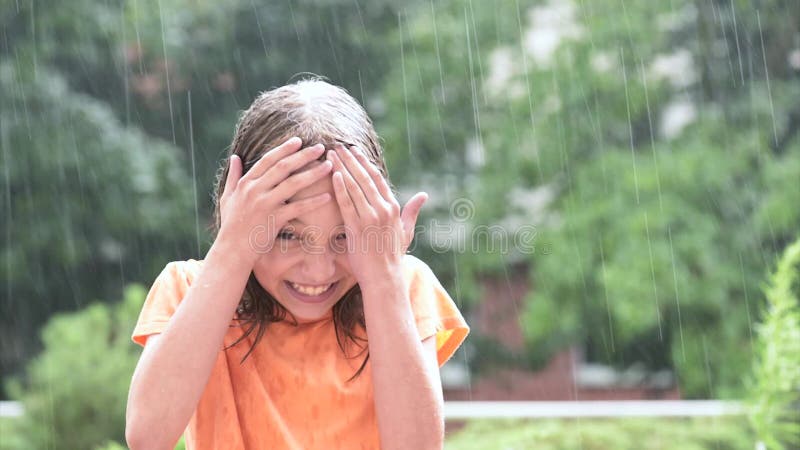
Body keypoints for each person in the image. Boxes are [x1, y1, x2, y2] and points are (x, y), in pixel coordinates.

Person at [125, 78, 470, 450]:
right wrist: (231, 252)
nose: (319, 271)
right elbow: (147, 437)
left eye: (344, 237)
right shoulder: (192, 288)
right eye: (287, 235)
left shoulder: (402, 286)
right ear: (241, 215)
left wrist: (383, 280)